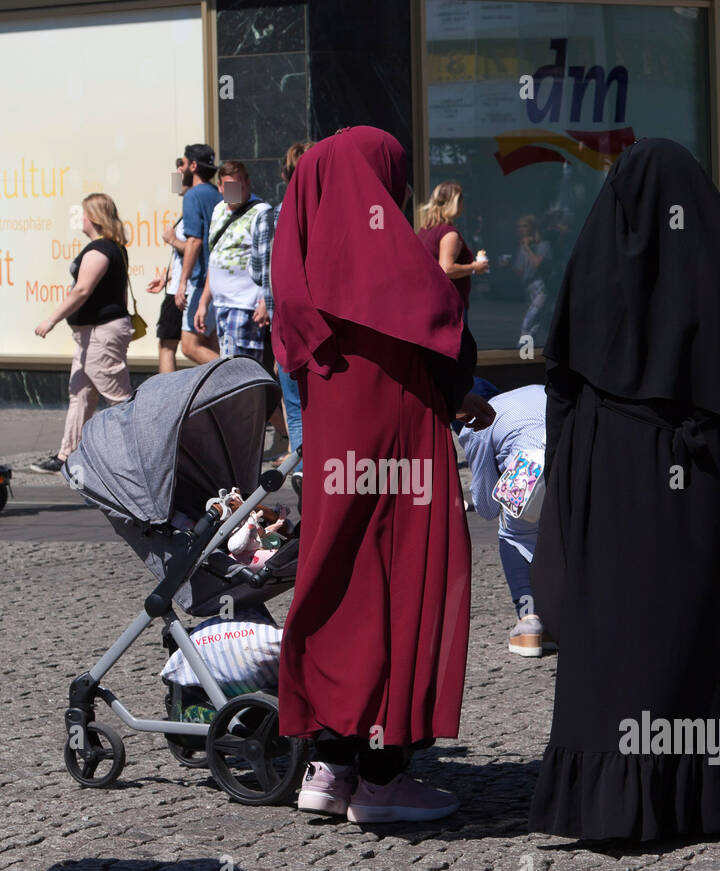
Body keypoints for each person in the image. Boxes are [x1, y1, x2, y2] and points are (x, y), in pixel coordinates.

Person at [529, 137, 720, 843]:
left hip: (607, 461)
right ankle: (701, 789)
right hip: (690, 469)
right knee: (684, 619)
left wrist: (566, 476)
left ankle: (611, 795)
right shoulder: (713, 259)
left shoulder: (597, 260)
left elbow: (562, 374)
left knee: (611, 624)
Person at [271, 126, 495, 823]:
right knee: (401, 581)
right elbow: (439, 326)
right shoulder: (387, 255)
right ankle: (381, 777)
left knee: (338, 575)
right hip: (401, 436)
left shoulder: (306, 260)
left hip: (338, 433)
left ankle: (328, 767)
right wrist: (461, 389)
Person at [30, 193, 133, 473]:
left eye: (84, 213)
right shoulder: (111, 248)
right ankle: (68, 455)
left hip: (101, 334)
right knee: (80, 394)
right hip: (92, 334)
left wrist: (51, 320)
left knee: (118, 396)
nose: (81, 218)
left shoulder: (100, 249)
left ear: (94, 217)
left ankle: (140, 450)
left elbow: (82, 289)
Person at [457, 381, 556, 657]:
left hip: (529, 463)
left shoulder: (477, 419)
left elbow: (487, 506)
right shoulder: (536, 390)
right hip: (574, 455)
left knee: (513, 536)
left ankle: (529, 622)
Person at [250, 141, 313, 468]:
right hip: (325, 326)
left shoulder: (269, 217)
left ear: (286, 174)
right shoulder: (333, 216)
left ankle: (302, 466)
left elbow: (258, 271)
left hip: (285, 324)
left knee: (294, 402)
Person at [194, 161, 273, 368]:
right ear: (220, 187)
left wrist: (266, 299)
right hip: (221, 304)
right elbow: (215, 257)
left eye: (240, 185)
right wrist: (204, 302)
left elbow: (269, 260)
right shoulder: (219, 210)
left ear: (248, 183)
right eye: (229, 187)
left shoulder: (261, 212)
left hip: (246, 305)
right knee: (229, 367)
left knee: (241, 371)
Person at [174, 143, 222, 366]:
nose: (179, 169)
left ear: (193, 166)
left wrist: (182, 283)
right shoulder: (219, 194)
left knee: (189, 346)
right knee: (212, 345)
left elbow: (194, 241)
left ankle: (246, 378)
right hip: (220, 280)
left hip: (202, 281)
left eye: (182, 163)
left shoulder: (193, 196)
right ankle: (229, 398)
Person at [417, 181, 488, 311]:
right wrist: (474, 267)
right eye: (462, 201)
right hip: (449, 306)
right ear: (456, 203)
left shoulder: (425, 230)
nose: (463, 205)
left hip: (430, 301)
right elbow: (447, 269)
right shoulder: (449, 233)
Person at [148, 157, 188, 373]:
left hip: (182, 290)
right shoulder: (188, 206)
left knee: (174, 346)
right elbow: (181, 255)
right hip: (176, 286)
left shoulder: (195, 204)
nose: (176, 179)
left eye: (179, 174)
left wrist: (173, 240)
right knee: (168, 344)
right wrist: (166, 278)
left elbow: (196, 247)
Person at [511, 214, 552, 345]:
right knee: (538, 324)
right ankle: (527, 355)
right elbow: (520, 271)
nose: (521, 229)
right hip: (529, 290)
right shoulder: (521, 247)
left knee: (528, 323)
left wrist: (527, 248)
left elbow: (537, 264)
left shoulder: (543, 245)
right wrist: (507, 265)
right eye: (519, 227)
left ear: (532, 228)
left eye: (524, 226)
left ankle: (521, 350)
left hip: (542, 289)